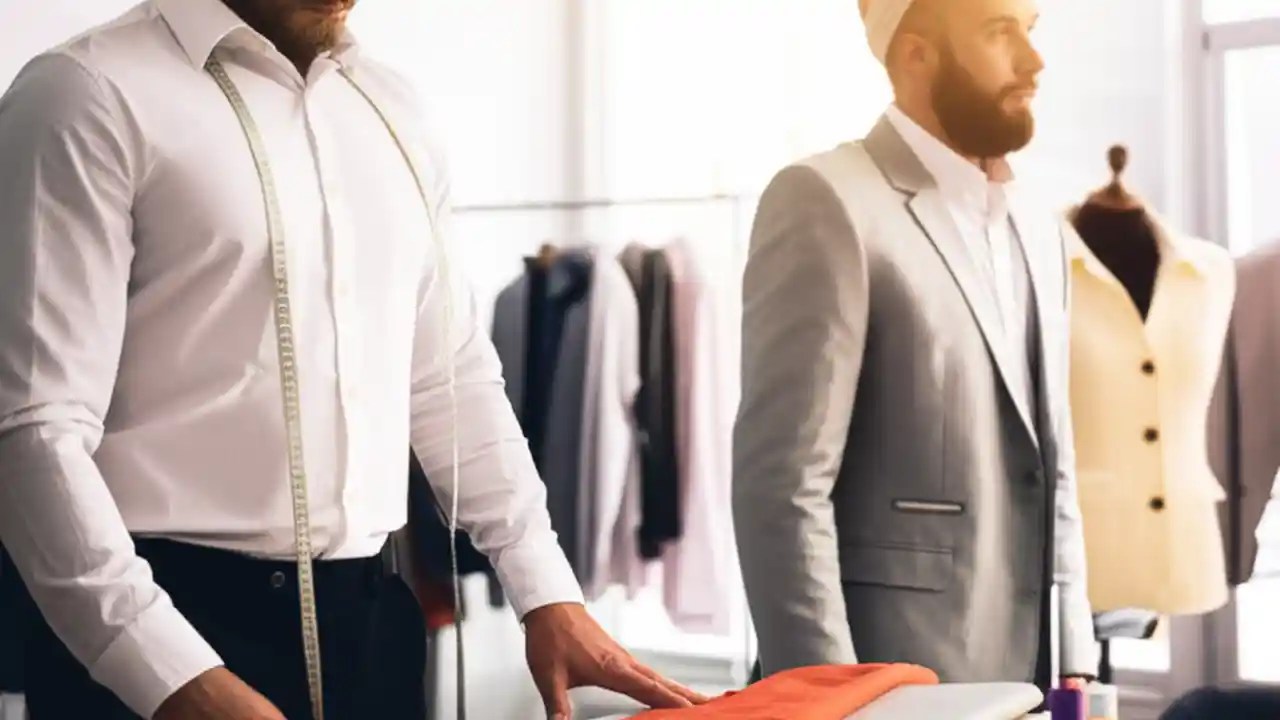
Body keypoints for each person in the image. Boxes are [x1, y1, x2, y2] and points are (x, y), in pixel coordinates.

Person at [0, 1, 705, 718]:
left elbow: (450, 374)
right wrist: (170, 675)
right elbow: (33, 428)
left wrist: (546, 588)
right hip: (162, 625)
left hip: (370, 627)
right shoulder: (86, 94)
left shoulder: (391, 110)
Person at [732, 0, 1097, 688]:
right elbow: (782, 488)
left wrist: (1073, 658)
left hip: (1031, 682)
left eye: (1032, 29)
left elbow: (1055, 468)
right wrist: (829, 697)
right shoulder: (825, 199)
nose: (1034, 60)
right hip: (887, 682)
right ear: (915, 54)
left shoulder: (1041, 228)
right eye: (999, 32)